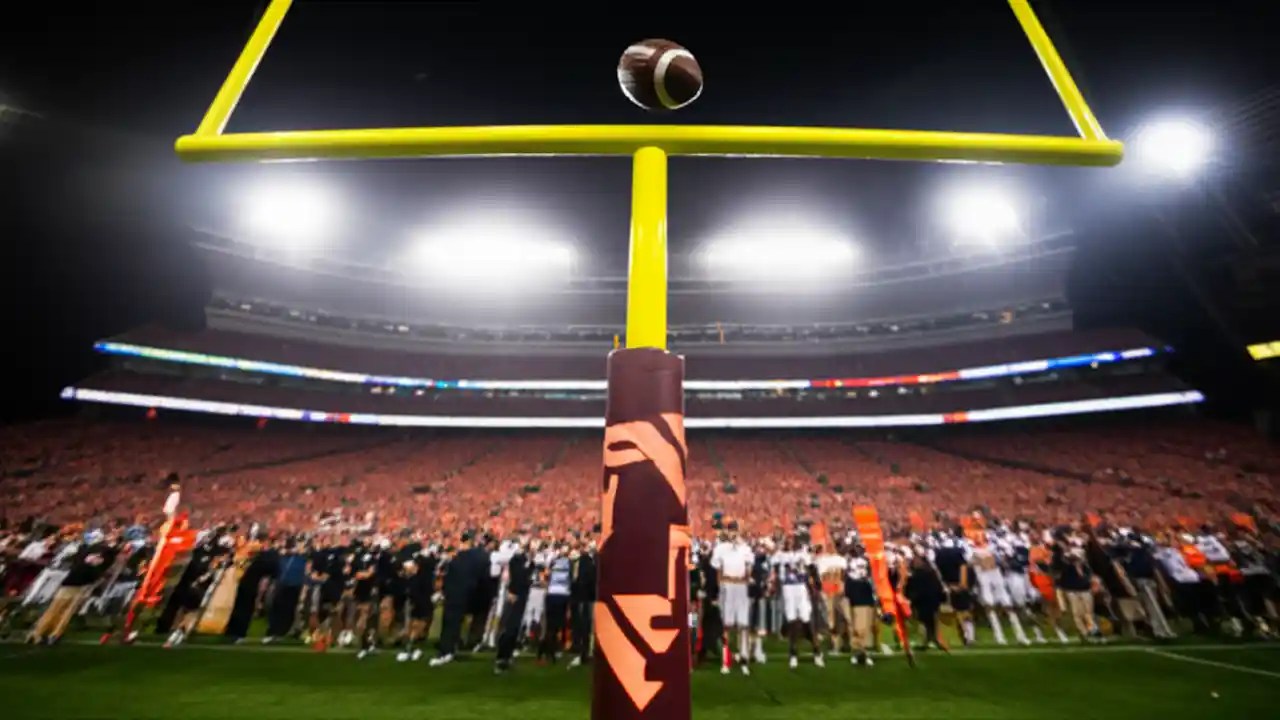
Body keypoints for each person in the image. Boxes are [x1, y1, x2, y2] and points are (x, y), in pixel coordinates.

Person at [29, 529, 117, 644]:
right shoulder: (93, 550)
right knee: (64, 610)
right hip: (81, 582)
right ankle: (50, 633)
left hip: (76, 581)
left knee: (58, 609)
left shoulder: (94, 550)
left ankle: (42, 633)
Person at [772, 536, 824, 670]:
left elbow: (812, 568)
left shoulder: (803, 554)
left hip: (800, 588)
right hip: (788, 589)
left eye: (794, 542)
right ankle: (793, 653)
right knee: (792, 622)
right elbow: (774, 569)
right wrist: (774, 585)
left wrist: (816, 584)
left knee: (806, 621)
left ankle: (817, 651)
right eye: (789, 542)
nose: (791, 544)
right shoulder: (780, 555)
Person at [711, 522, 755, 675]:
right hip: (727, 588)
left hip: (741, 589)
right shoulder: (720, 549)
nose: (733, 533)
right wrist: (720, 589)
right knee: (726, 626)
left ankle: (743, 658)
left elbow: (749, 571)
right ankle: (726, 660)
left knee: (743, 625)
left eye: (735, 531)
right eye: (730, 531)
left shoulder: (746, 549)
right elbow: (718, 571)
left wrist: (743, 581)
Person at [495, 537, 533, 673]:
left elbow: (525, 577)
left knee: (514, 627)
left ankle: (507, 655)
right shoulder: (517, 560)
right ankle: (502, 657)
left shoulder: (526, 561)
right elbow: (517, 576)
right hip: (515, 595)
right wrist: (512, 591)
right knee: (509, 627)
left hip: (521, 595)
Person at [264, 537, 308, 643]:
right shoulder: (283, 558)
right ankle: (274, 631)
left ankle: (281, 632)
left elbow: (305, 574)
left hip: (294, 586)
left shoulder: (302, 559)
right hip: (282, 585)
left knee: (288, 611)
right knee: (276, 609)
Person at [844, 542, 878, 666]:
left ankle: (862, 653)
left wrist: (874, 596)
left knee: (864, 628)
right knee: (856, 627)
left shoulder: (867, 563)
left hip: (864, 596)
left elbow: (871, 580)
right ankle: (859, 653)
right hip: (854, 595)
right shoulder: (849, 562)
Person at [538, 544, 572, 665]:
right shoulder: (570, 563)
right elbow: (572, 580)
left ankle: (544, 653)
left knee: (550, 626)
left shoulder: (553, 561)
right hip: (563, 595)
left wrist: (547, 587)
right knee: (557, 625)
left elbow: (545, 576)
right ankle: (550, 653)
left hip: (552, 594)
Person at [568, 537, 595, 668]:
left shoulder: (586, 562)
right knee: (582, 625)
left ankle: (583, 651)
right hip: (582, 597)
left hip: (583, 598)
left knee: (583, 625)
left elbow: (583, 580)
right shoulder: (583, 562)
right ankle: (582, 650)